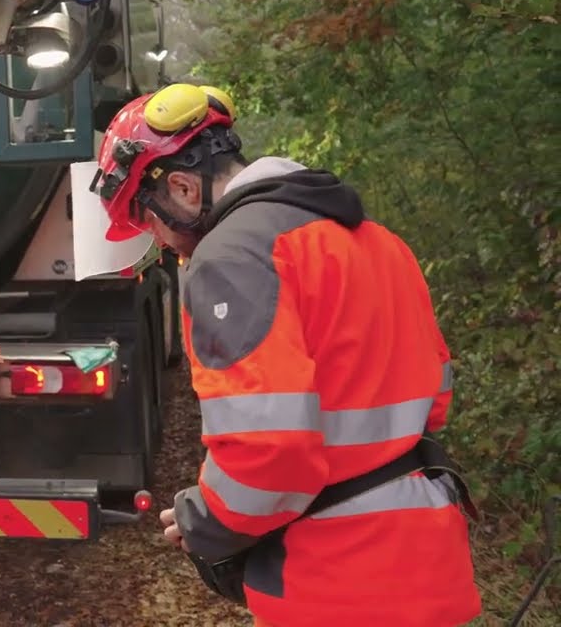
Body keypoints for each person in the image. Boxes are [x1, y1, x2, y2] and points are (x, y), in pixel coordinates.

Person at [90, 83, 483, 626]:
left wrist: (204, 521)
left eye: (147, 219)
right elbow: (433, 400)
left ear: (181, 188)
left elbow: (268, 454)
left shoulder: (231, 255)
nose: (160, 243)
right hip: (430, 560)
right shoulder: (379, 242)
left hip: (337, 582)